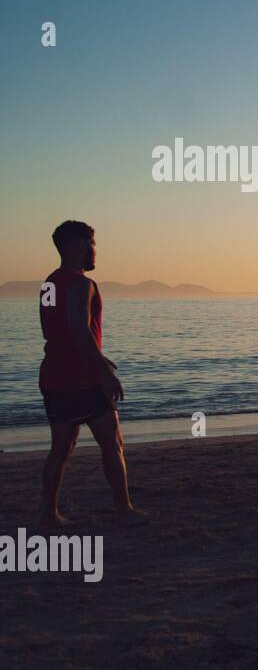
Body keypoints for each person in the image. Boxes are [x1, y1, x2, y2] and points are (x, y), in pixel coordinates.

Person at [37, 221, 147, 529]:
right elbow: (78, 327)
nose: (94, 250)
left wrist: (94, 355)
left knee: (61, 448)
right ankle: (123, 509)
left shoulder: (48, 283)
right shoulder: (81, 284)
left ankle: (48, 514)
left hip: (53, 376)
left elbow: (54, 330)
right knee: (112, 442)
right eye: (91, 244)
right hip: (82, 378)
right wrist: (102, 370)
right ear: (76, 247)